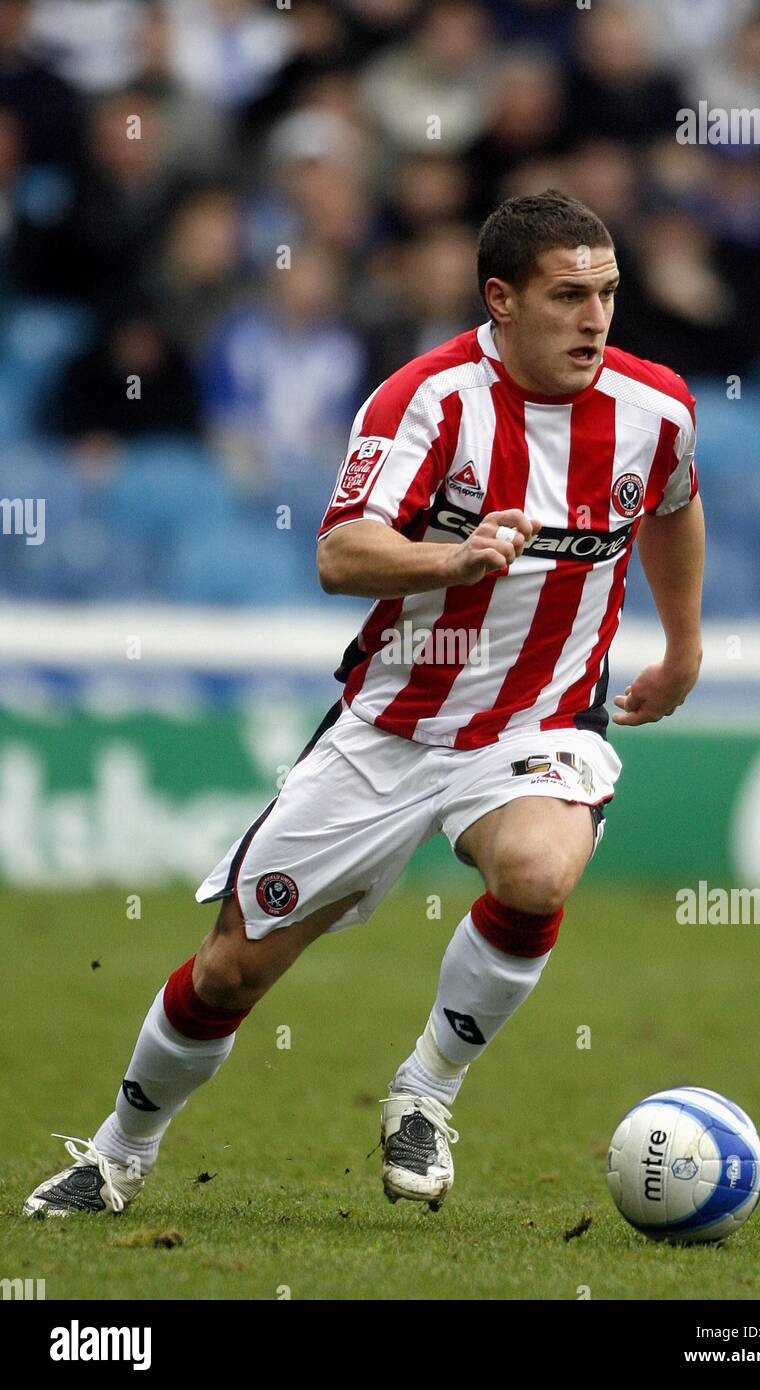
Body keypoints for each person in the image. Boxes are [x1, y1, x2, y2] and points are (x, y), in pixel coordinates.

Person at [24, 190, 704, 1217]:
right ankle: (119, 1153)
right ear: (500, 300)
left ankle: (424, 1091)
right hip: (390, 725)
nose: (594, 319)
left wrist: (684, 645)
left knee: (534, 871)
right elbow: (340, 553)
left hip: (541, 719)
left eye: (606, 294)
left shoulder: (653, 410)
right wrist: (456, 553)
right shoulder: (424, 401)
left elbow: (672, 503)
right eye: (567, 296)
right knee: (227, 975)